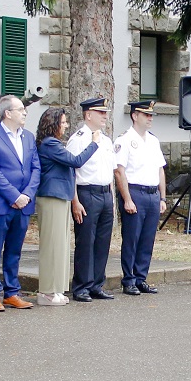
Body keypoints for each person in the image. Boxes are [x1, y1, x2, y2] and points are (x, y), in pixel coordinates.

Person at [34, 105, 100, 305]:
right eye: (62, 122)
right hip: (51, 196)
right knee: (52, 245)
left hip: (60, 196)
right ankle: (47, 290)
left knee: (61, 245)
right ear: (53, 124)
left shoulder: (54, 143)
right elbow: (76, 161)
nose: (65, 126)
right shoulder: (49, 144)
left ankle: (57, 288)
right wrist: (93, 144)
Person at [0, 94, 39, 310]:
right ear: (7, 113)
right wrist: (14, 196)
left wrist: (27, 195)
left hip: (24, 203)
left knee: (14, 250)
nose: (24, 113)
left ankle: (12, 292)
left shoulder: (28, 137)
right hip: (1, 202)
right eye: (20, 110)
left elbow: (35, 168)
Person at [114, 100, 167, 296]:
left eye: (151, 115)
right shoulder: (124, 140)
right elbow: (120, 171)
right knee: (132, 239)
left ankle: (141, 277)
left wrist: (163, 197)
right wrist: (127, 198)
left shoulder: (153, 140)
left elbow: (160, 170)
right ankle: (129, 280)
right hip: (135, 192)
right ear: (135, 116)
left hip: (152, 194)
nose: (150, 118)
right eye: (146, 115)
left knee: (147, 239)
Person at [69, 97, 116, 302]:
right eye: (100, 112)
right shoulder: (78, 139)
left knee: (102, 242)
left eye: (105, 112)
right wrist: (75, 201)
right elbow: (70, 172)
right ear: (88, 115)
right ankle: (81, 286)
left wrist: (111, 199)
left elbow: (110, 172)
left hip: (105, 193)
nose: (105, 116)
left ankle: (97, 284)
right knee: (86, 242)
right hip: (86, 193)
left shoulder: (106, 140)